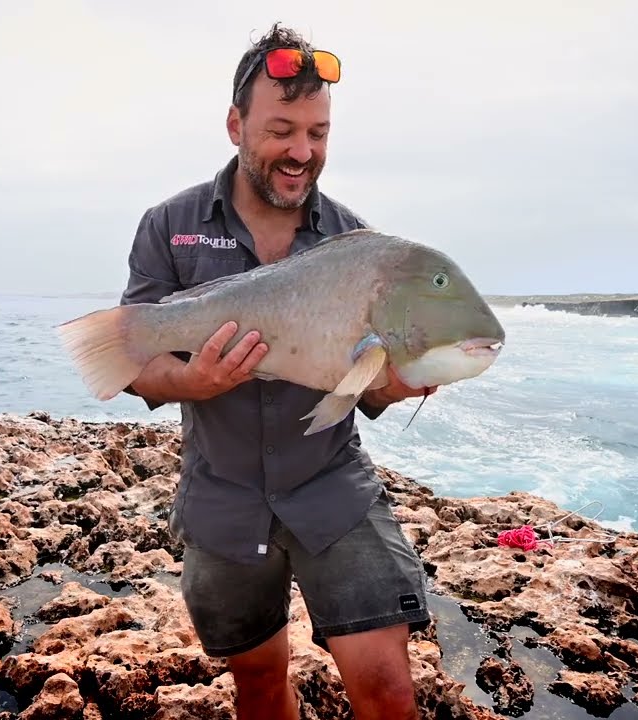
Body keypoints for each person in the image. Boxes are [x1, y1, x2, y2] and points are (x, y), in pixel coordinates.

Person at [117, 23, 434, 720]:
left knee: (388, 690)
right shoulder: (170, 226)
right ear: (235, 125)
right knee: (259, 688)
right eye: (282, 130)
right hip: (223, 496)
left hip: (332, 488)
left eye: (318, 133)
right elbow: (133, 360)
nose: (302, 152)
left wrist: (402, 379)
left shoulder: (357, 245)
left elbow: (369, 383)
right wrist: (191, 383)